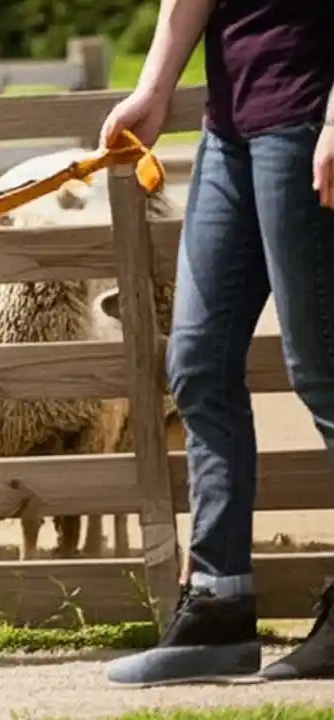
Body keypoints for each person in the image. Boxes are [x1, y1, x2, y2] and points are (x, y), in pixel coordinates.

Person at [98, 0, 334, 686]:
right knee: (197, 364)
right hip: (230, 129)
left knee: (323, 373)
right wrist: (154, 85)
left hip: (307, 122)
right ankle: (218, 605)